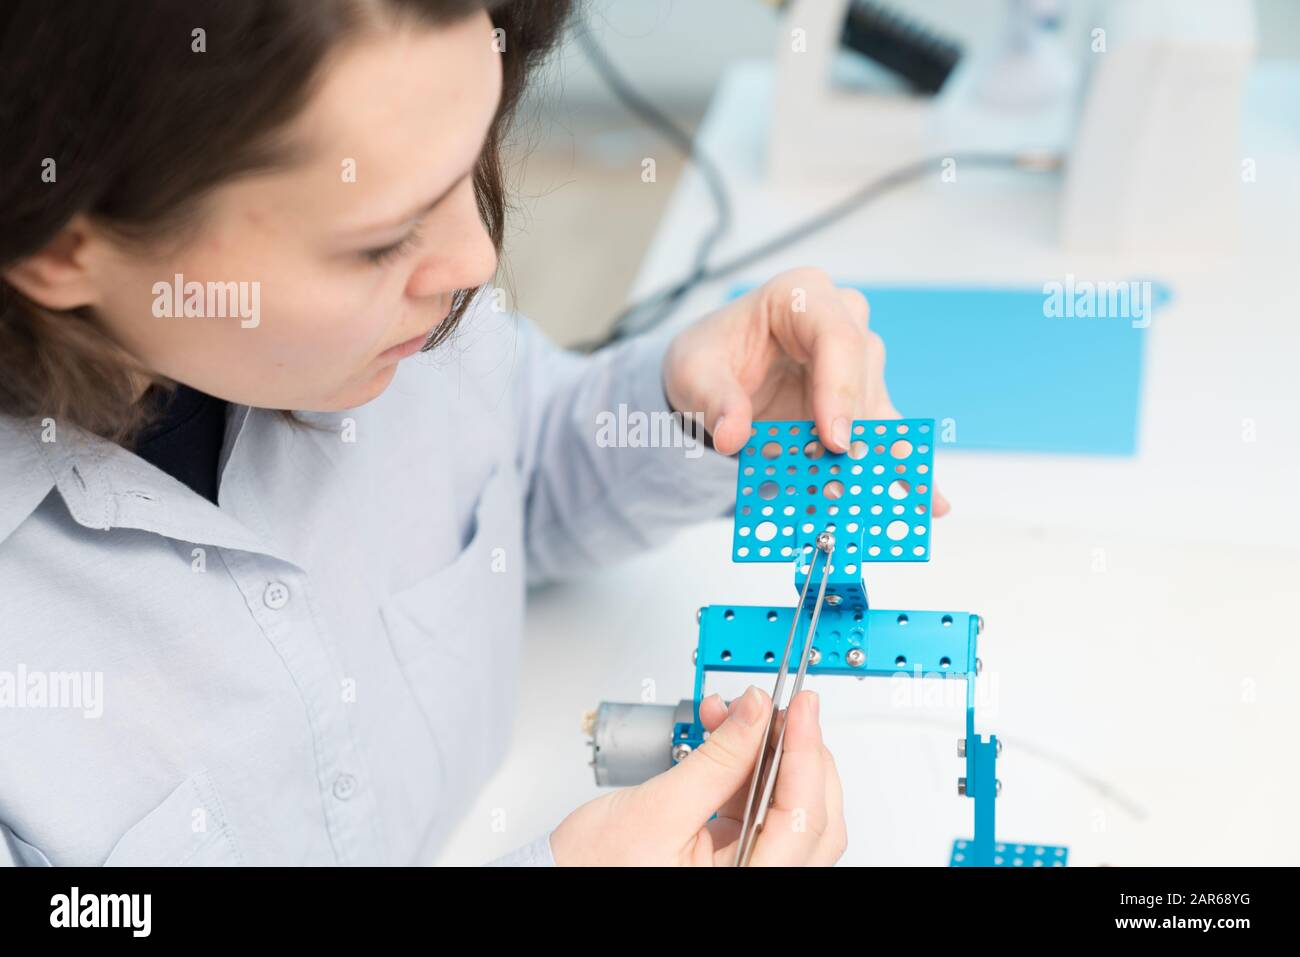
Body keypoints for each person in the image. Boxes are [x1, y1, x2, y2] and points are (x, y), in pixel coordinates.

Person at [0, 0, 942, 866]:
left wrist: (689, 414)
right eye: (379, 239)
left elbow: (512, 468)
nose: (475, 259)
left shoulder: (394, 326)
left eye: (469, 162)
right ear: (59, 244)